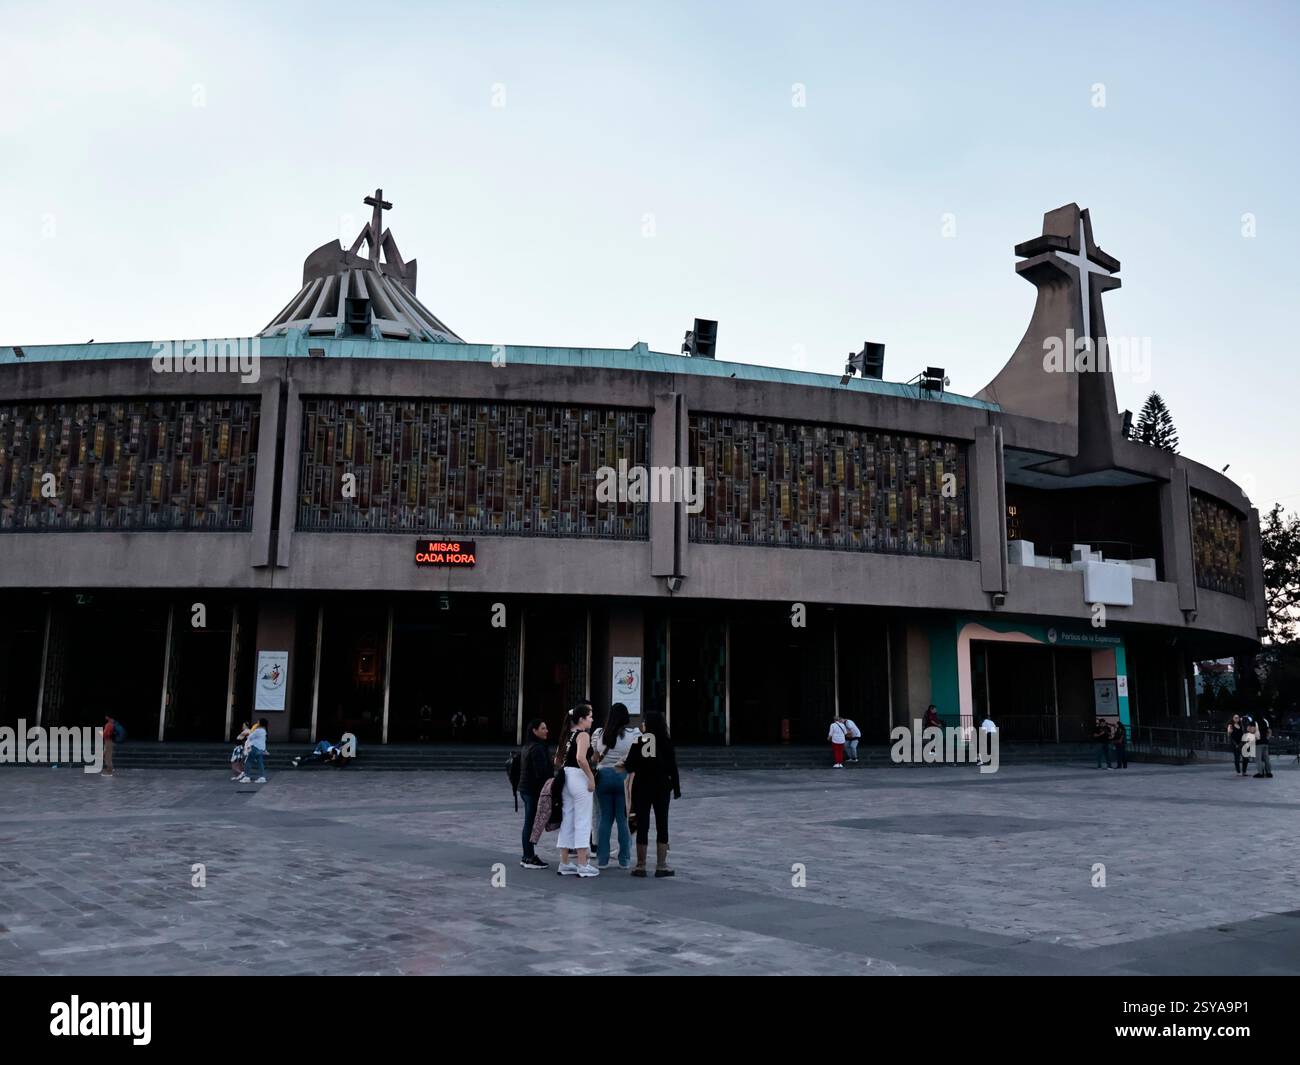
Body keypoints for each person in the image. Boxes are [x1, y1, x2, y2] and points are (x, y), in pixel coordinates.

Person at [624, 711, 680, 878]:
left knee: (643, 824)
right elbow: (673, 767)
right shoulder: (666, 742)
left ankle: (640, 865)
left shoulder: (639, 741)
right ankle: (661, 865)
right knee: (662, 823)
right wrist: (676, 788)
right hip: (661, 787)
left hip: (642, 787)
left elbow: (629, 765)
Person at [592, 702, 637, 869]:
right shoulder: (634, 734)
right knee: (622, 820)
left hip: (603, 778)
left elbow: (595, 757)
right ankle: (624, 859)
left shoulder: (599, 734)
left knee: (605, 818)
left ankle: (602, 860)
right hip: (623, 777)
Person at [555, 705, 599, 877]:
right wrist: (591, 777)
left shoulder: (567, 733)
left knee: (568, 817)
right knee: (583, 818)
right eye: (590, 717)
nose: (592, 720)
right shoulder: (583, 735)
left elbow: (557, 758)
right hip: (578, 777)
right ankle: (582, 864)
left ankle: (564, 862)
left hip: (565, 776)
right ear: (581, 719)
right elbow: (581, 758)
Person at [517, 719, 551, 869]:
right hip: (532, 790)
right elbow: (541, 773)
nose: (546, 730)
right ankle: (528, 856)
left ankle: (528, 855)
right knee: (530, 823)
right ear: (534, 731)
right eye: (543, 728)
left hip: (525, 789)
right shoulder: (537, 748)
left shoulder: (527, 746)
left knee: (529, 822)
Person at [236, 719, 269, 783]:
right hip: (261, 749)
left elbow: (250, 737)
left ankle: (247, 777)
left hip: (254, 747)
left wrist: (252, 731)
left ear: (260, 723)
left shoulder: (257, 730)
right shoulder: (264, 731)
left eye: (258, 722)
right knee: (260, 763)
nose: (257, 723)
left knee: (248, 762)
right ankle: (262, 777)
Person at [1254, 714, 1273, 778]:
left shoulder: (1255, 723)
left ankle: (1260, 773)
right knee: (1266, 759)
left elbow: (1252, 731)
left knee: (1258, 759)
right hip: (1265, 742)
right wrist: (1267, 738)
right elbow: (1269, 731)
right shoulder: (1265, 722)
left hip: (1258, 743)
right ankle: (1269, 773)